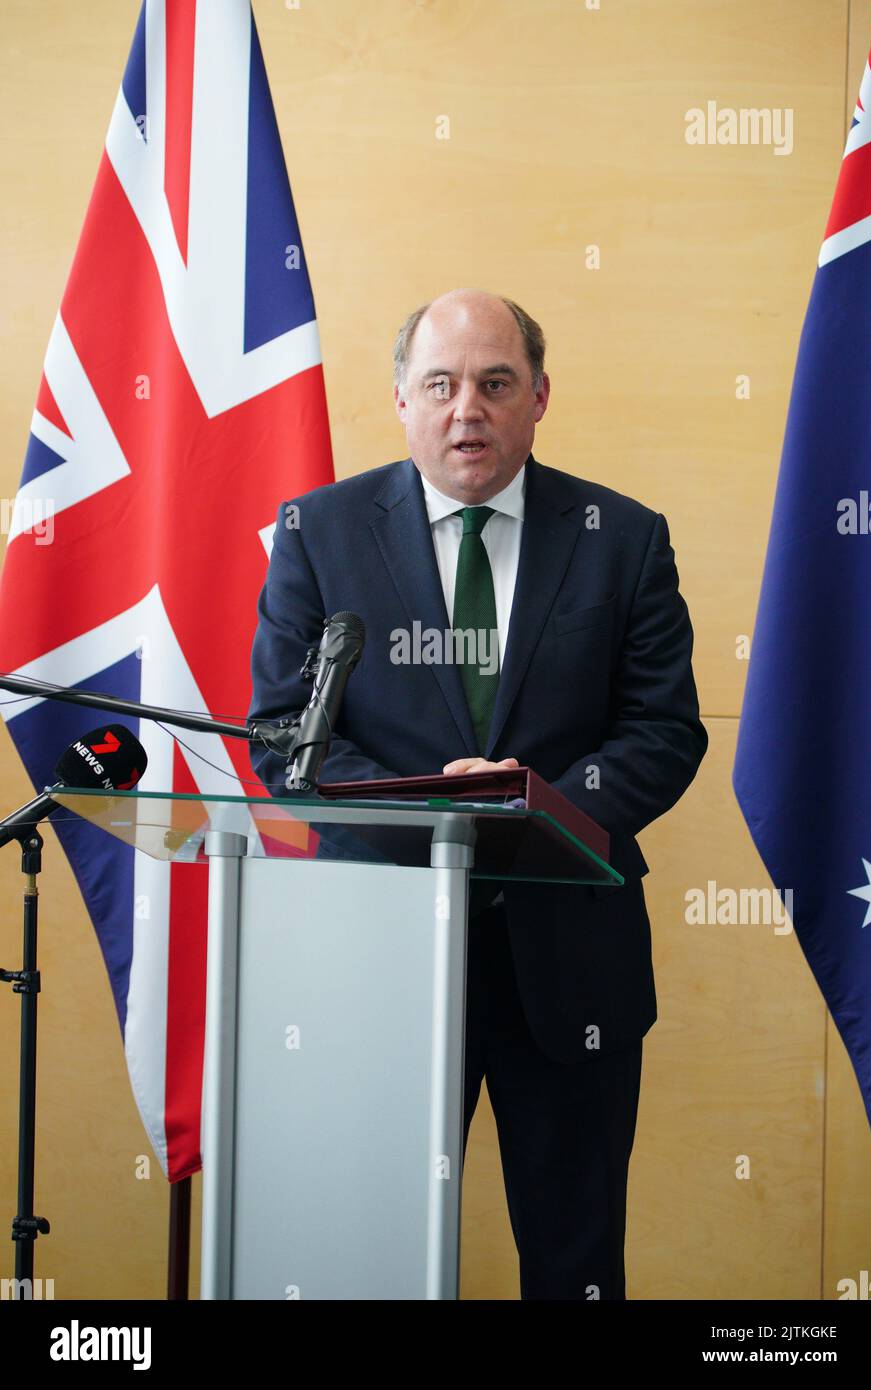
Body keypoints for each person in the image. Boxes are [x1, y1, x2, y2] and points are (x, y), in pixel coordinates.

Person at [248, 287, 708, 1300]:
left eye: (495, 384)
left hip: (569, 962)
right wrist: (430, 807)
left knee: (574, 1259)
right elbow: (286, 739)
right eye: (442, 384)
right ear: (399, 400)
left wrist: (534, 798)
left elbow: (665, 731)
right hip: (381, 957)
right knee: (374, 1259)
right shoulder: (317, 534)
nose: (468, 409)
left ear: (538, 397)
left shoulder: (619, 537)